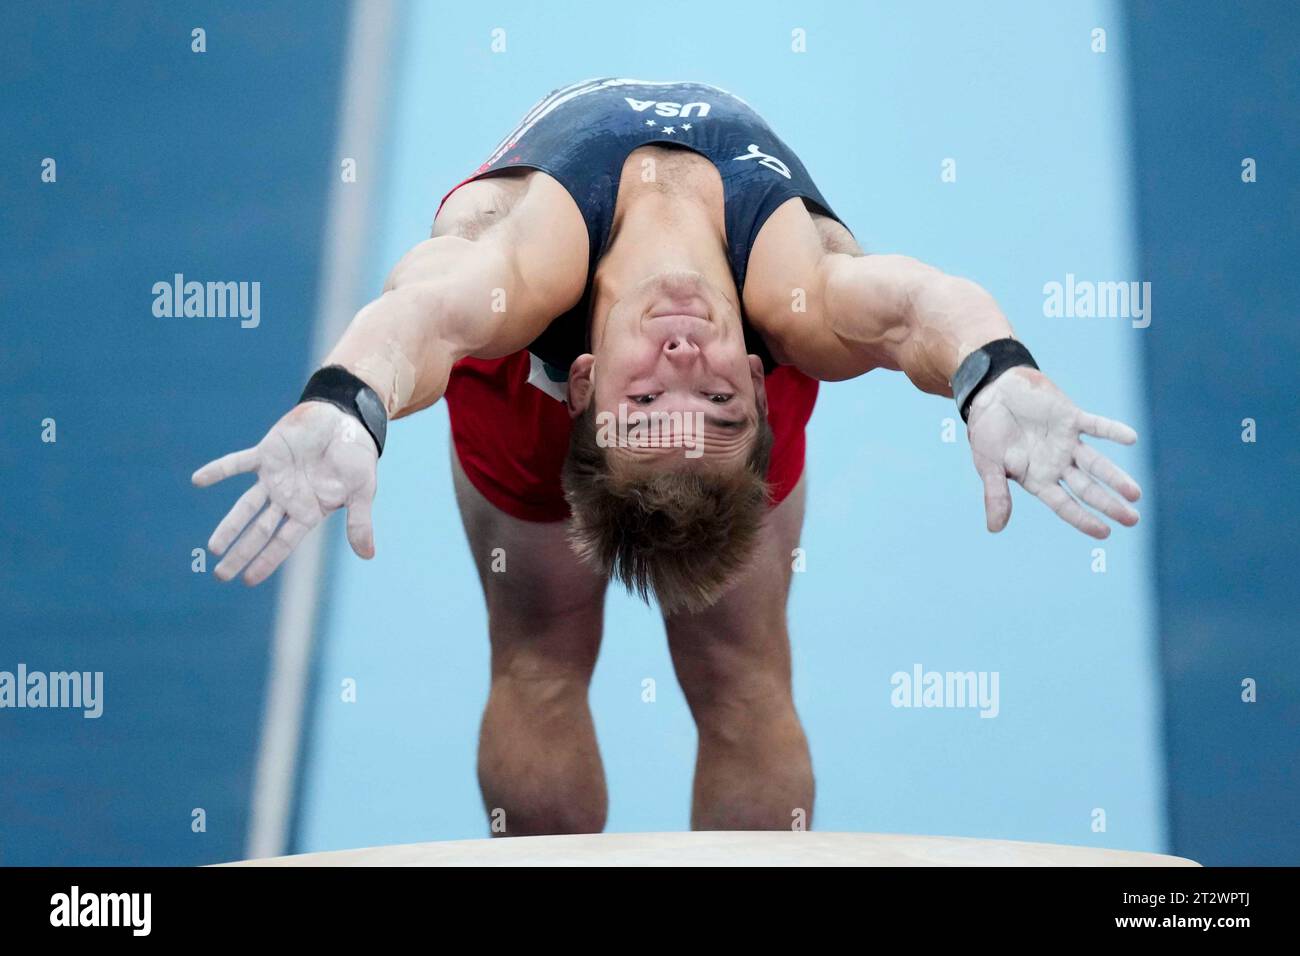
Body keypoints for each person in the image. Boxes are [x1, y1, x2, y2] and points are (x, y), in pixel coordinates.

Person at [194, 78, 1141, 834]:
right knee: (740, 677)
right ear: (761, 392)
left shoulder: (522, 271)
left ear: (590, 387)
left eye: (649, 401)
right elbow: (913, 311)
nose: (686, 360)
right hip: (604, 388)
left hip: (519, 397)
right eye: (718, 401)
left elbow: (423, 315)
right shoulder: (794, 302)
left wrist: (347, 400)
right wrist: (995, 373)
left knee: (541, 661)